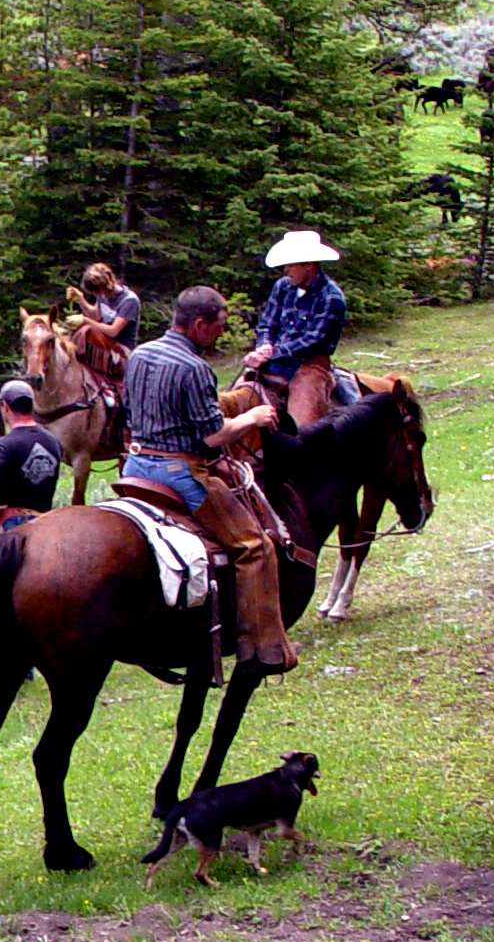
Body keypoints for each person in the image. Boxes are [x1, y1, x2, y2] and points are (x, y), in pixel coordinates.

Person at [122, 285, 298, 670]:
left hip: (134, 468)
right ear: (198, 325)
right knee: (255, 546)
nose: (220, 334)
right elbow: (213, 436)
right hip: (180, 473)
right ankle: (264, 646)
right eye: (217, 327)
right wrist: (251, 418)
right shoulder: (194, 368)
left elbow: (129, 411)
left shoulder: (139, 354)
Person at [240, 230, 349, 429]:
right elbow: (267, 323)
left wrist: (272, 353)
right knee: (236, 399)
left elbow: (312, 341)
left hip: (310, 365)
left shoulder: (332, 297)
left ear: (308, 266)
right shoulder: (282, 287)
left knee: (302, 427)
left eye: (291, 265)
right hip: (276, 360)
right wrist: (264, 346)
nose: (286, 270)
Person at [0, 380, 64, 529]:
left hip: (11, 526)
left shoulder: (4, 445)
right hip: (44, 525)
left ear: (6, 407)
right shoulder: (53, 442)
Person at [64, 262, 142, 367]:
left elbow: (113, 331)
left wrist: (85, 321)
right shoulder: (103, 294)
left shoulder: (129, 301)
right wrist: (81, 301)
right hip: (103, 341)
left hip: (121, 347)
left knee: (86, 330)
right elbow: (96, 316)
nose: (98, 295)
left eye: (97, 292)